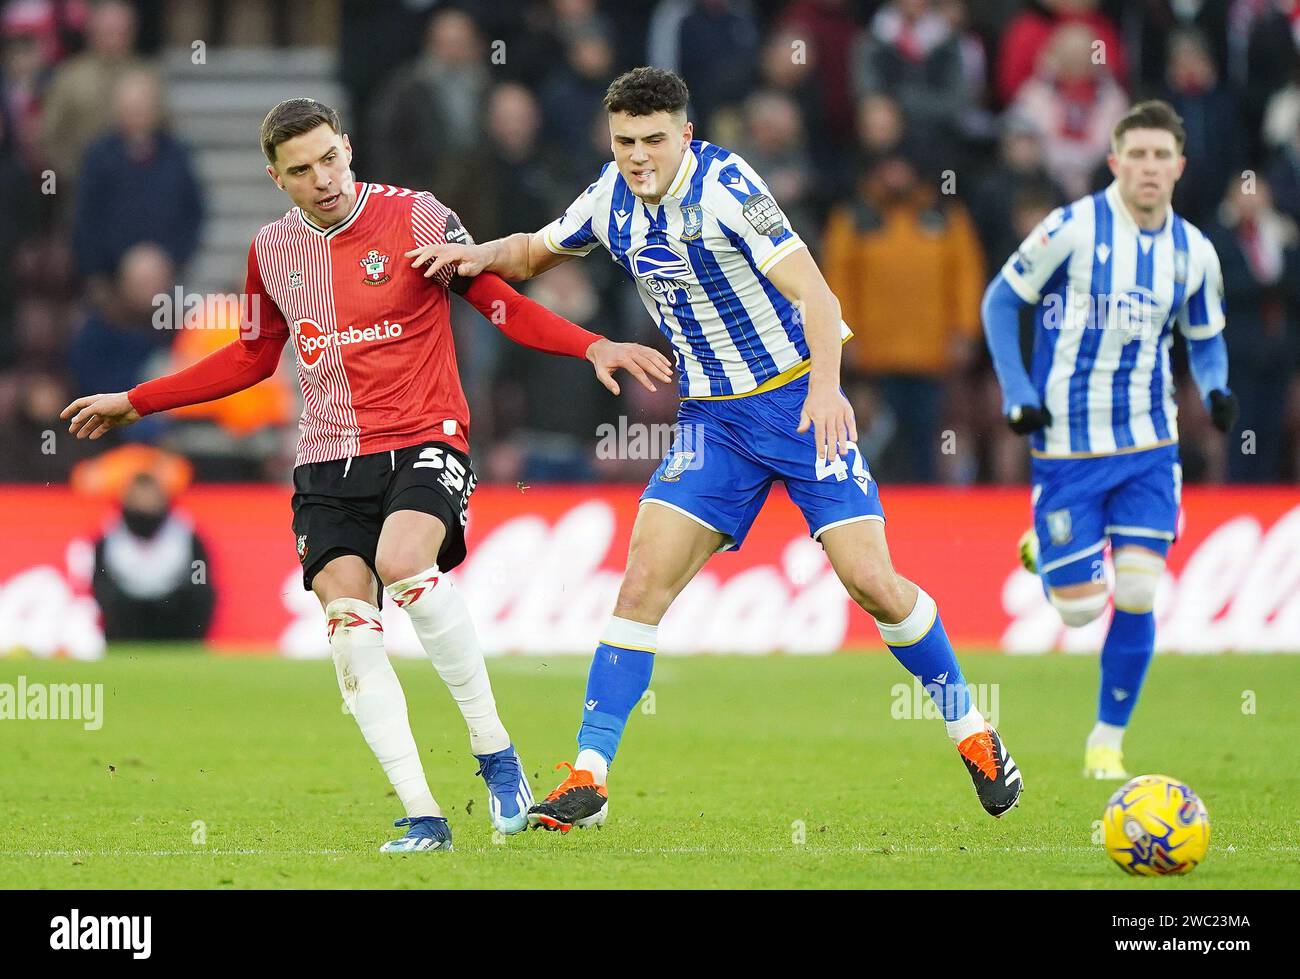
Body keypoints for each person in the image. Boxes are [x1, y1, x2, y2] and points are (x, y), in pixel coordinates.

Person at [409, 67, 1023, 832]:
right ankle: (587, 776)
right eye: (625, 141)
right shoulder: (609, 197)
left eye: (654, 141)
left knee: (872, 583)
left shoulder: (729, 185)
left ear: (685, 136)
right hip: (713, 424)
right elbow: (535, 252)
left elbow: (820, 298)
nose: (638, 156)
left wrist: (829, 391)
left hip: (801, 399)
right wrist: (470, 255)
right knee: (639, 586)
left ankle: (973, 732)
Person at [60, 98, 672, 852]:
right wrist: (137, 401)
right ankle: (425, 816)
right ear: (275, 178)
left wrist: (590, 347)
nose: (322, 179)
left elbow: (498, 304)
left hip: (425, 439)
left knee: (404, 565)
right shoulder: (271, 251)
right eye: (301, 170)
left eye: (329, 159)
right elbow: (252, 356)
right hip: (325, 462)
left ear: (348, 148)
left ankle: (494, 751)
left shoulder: (417, 218)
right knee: (350, 627)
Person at [981, 100, 1238, 780]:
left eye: (1163, 156)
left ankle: (1106, 739)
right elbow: (1000, 302)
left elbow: (1206, 340)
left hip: (1151, 444)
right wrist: (1018, 393)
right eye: (1139, 155)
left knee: (1137, 592)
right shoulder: (1071, 228)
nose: (1150, 168)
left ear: (1179, 166)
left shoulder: (1195, 252)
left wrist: (1214, 389)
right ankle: (1047, 545)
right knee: (1079, 608)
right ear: (1115, 161)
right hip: (1067, 443)